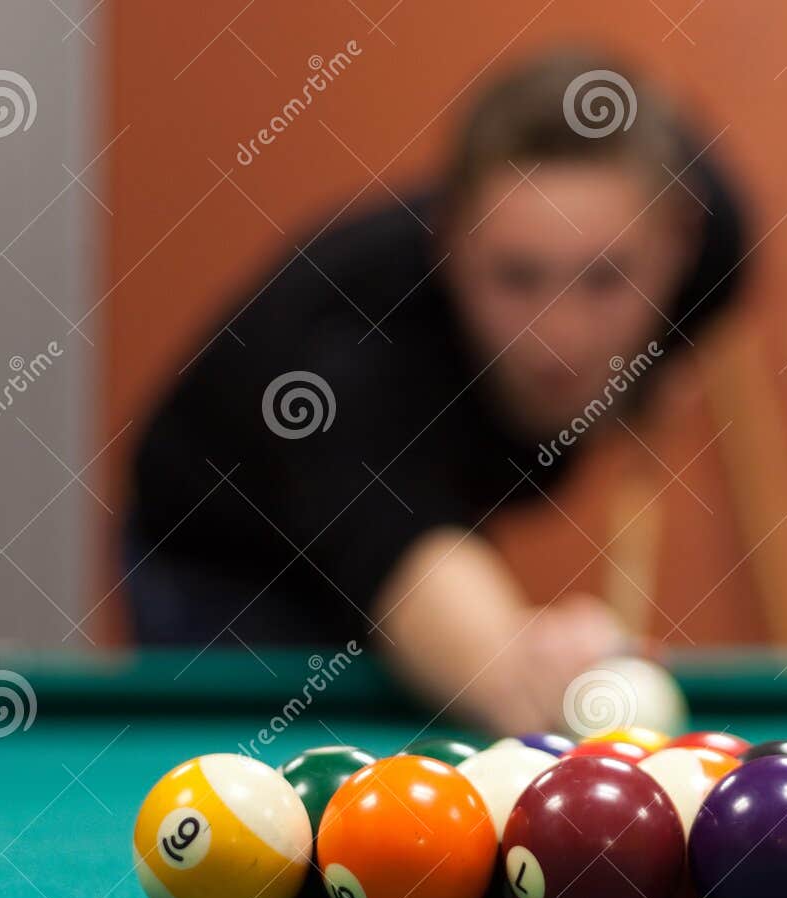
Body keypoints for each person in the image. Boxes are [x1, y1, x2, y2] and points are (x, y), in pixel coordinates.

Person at [125, 51, 749, 733]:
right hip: (232, 562)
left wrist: (647, 380)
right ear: (450, 244)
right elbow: (419, 566)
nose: (560, 333)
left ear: (680, 243)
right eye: (517, 276)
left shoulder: (715, 242)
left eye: (606, 279)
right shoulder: (349, 350)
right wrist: (528, 671)